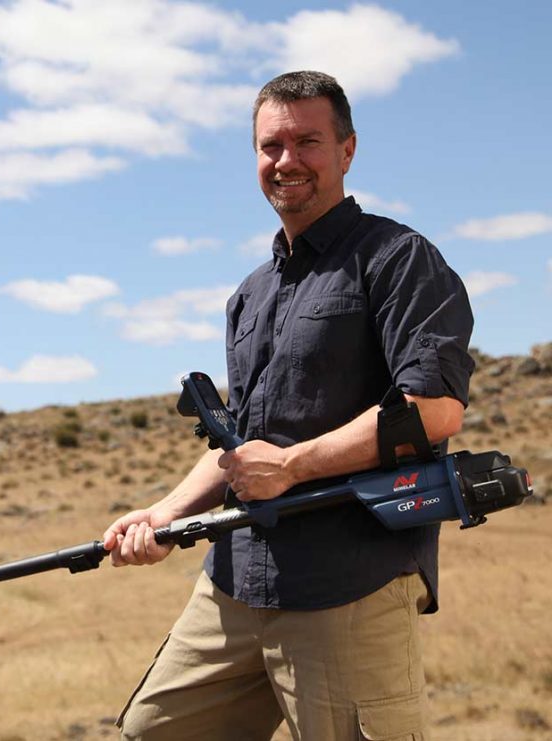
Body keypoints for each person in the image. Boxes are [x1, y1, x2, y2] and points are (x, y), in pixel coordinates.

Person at [103, 71, 474, 741]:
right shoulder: (249, 294)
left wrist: (295, 465)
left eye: (308, 141)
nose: (287, 161)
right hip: (235, 580)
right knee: (150, 731)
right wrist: (164, 513)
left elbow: (434, 409)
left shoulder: (396, 259)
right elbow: (240, 443)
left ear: (347, 150)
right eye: (271, 145)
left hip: (348, 584)